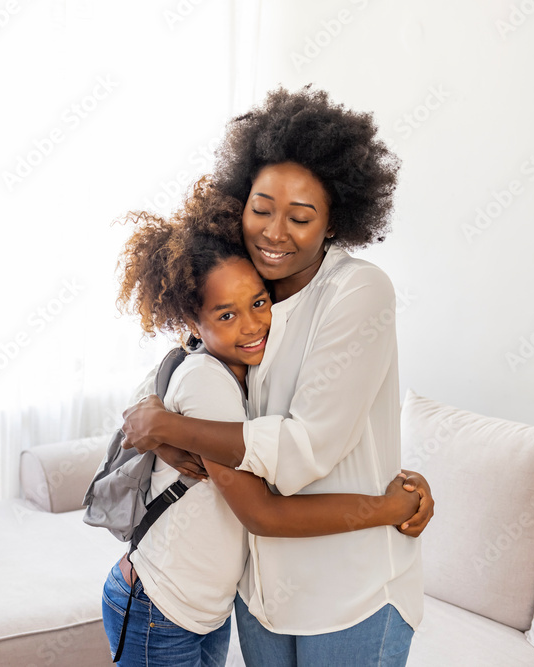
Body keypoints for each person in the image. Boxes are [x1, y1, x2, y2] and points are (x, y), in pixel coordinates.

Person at [120, 86, 433, 666]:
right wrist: (156, 423)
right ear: (240, 202)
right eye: (261, 209)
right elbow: (175, 368)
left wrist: (172, 427)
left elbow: (301, 450)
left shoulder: (358, 290)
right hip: (260, 593)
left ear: (335, 219)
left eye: (301, 217)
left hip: (353, 592)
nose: (275, 232)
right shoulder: (241, 293)